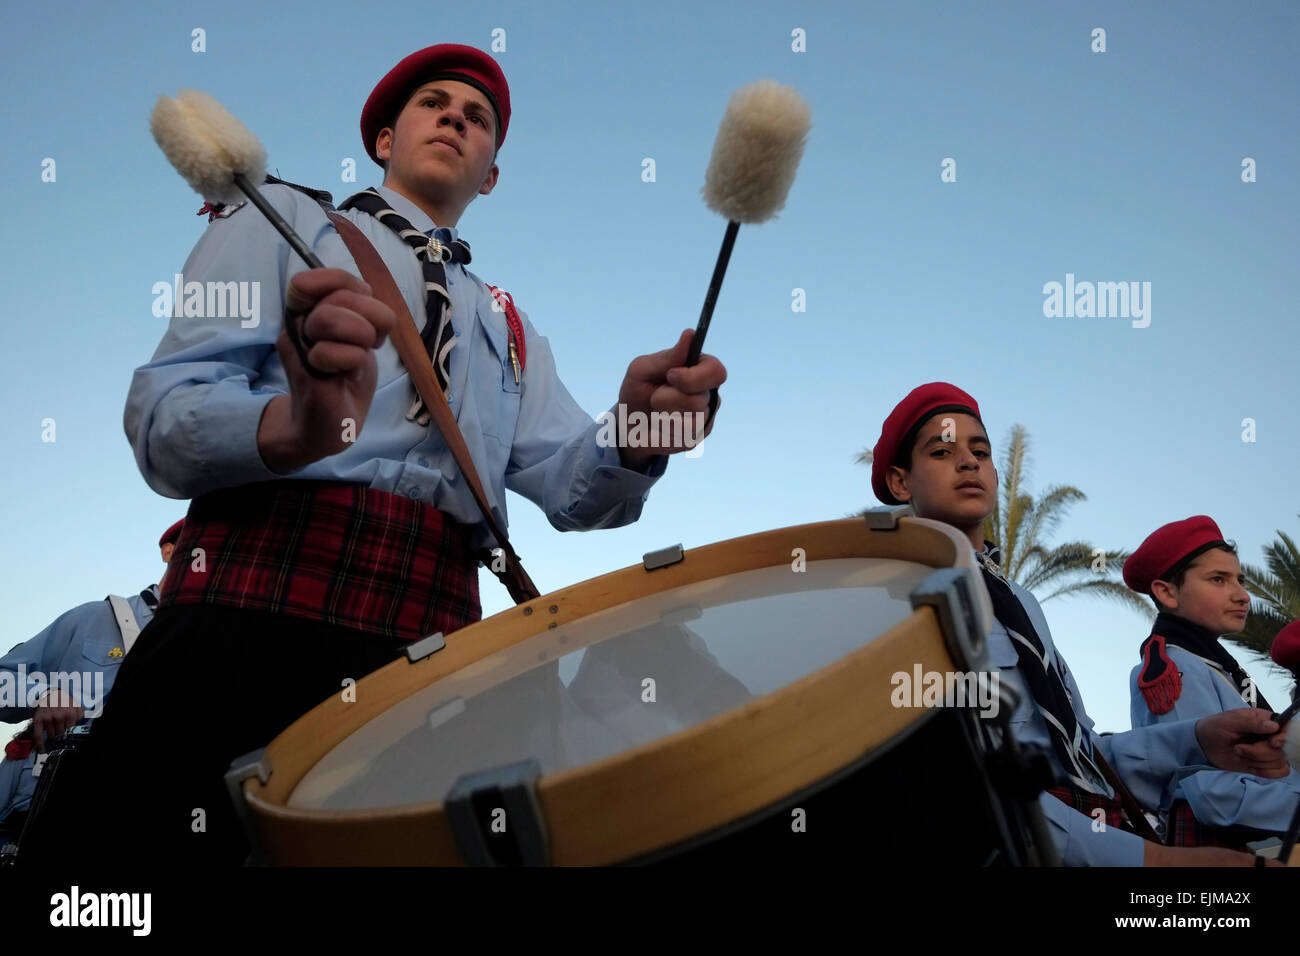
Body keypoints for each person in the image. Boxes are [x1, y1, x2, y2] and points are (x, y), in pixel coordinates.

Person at [24, 44, 725, 866]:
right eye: (435, 103)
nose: (457, 118)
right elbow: (163, 412)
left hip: (433, 655)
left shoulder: (509, 326)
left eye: (480, 119)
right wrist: (292, 428)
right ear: (384, 140)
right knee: (121, 888)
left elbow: (577, 491)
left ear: (492, 173)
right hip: (247, 613)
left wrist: (641, 431)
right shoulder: (273, 216)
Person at [868, 382, 1288, 865]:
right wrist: (1155, 861)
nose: (968, 462)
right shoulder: (904, 601)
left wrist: (1196, 739)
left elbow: (1080, 754)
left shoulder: (1019, 601)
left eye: (979, 450)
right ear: (901, 483)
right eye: (942, 451)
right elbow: (967, 784)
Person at [0, 521, 182, 851]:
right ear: (169, 551)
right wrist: (43, 695)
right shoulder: (93, 618)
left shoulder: (219, 641)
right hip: (42, 821)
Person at [1125, 516, 1300, 849]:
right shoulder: (1175, 668)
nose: (1243, 595)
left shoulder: (1217, 667)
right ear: (1167, 592)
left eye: (1241, 580)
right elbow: (1211, 795)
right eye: (1219, 580)